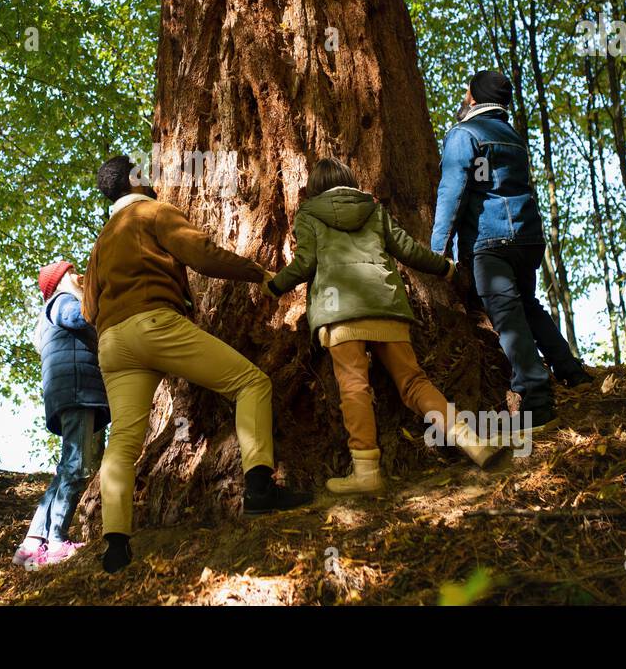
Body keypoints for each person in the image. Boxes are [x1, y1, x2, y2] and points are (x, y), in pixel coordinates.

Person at [81, 155, 312, 574]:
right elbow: (203, 257)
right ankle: (259, 488)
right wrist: (257, 272)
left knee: (125, 441)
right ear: (135, 181)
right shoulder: (152, 212)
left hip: (112, 344)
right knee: (251, 383)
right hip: (154, 323)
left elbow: (88, 310)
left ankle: (116, 544)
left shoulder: (100, 244)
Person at [266, 158, 504, 493]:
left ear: (315, 187)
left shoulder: (309, 214)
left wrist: (274, 285)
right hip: (387, 308)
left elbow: (305, 263)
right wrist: (446, 268)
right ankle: (473, 442)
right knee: (413, 382)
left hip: (340, 313)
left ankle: (366, 472)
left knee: (353, 388)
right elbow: (407, 249)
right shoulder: (373, 210)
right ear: (350, 180)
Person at [430, 69, 593, 435]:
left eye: (466, 90)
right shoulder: (513, 137)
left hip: (491, 240)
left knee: (507, 313)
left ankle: (536, 399)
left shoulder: (463, 134)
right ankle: (571, 372)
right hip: (527, 238)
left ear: (473, 97)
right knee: (528, 305)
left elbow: (453, 192)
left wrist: (437, 249)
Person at [13, 260, 111, 569]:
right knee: (77, 466)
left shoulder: (47, 315)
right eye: (72, 273)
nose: (79, 275)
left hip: (68, 393)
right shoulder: (62, 301)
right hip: (79, 392)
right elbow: (78, 318)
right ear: (59, 281)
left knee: (65, 467)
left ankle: (31, 544)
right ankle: (56, 541)